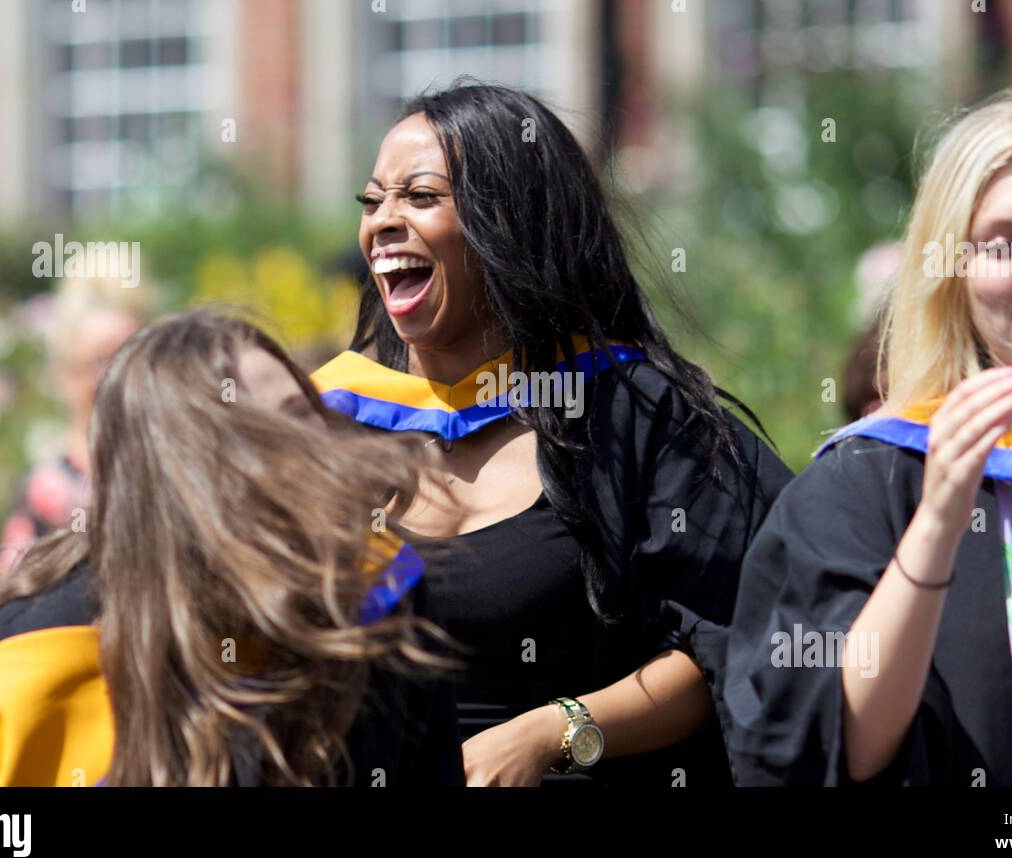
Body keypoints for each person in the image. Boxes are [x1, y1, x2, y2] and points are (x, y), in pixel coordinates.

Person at [313, 81, 792, 786]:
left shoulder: (633, 416)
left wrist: (556, 730)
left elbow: (725, 645)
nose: (383, 221)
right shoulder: (330, 427)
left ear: (508, 223)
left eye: (419, 197)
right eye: (373, 199)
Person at [719, 92, 1012, 786]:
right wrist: (935, 523)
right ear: (956, 273)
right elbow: (838, 755)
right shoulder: (869, 481)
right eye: (1001, 244)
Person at [0, 311, 461, 786]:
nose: (311, 446)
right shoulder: (45, 645)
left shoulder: (374, 596)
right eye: (268, 428)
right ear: (185, 464)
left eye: (304, 414)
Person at [0, 276, 149, 581]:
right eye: (100, 360)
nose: (115, 374)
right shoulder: (42, 493)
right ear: (65, 374)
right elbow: (12, 605)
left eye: (130, 355)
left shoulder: (176, 468)